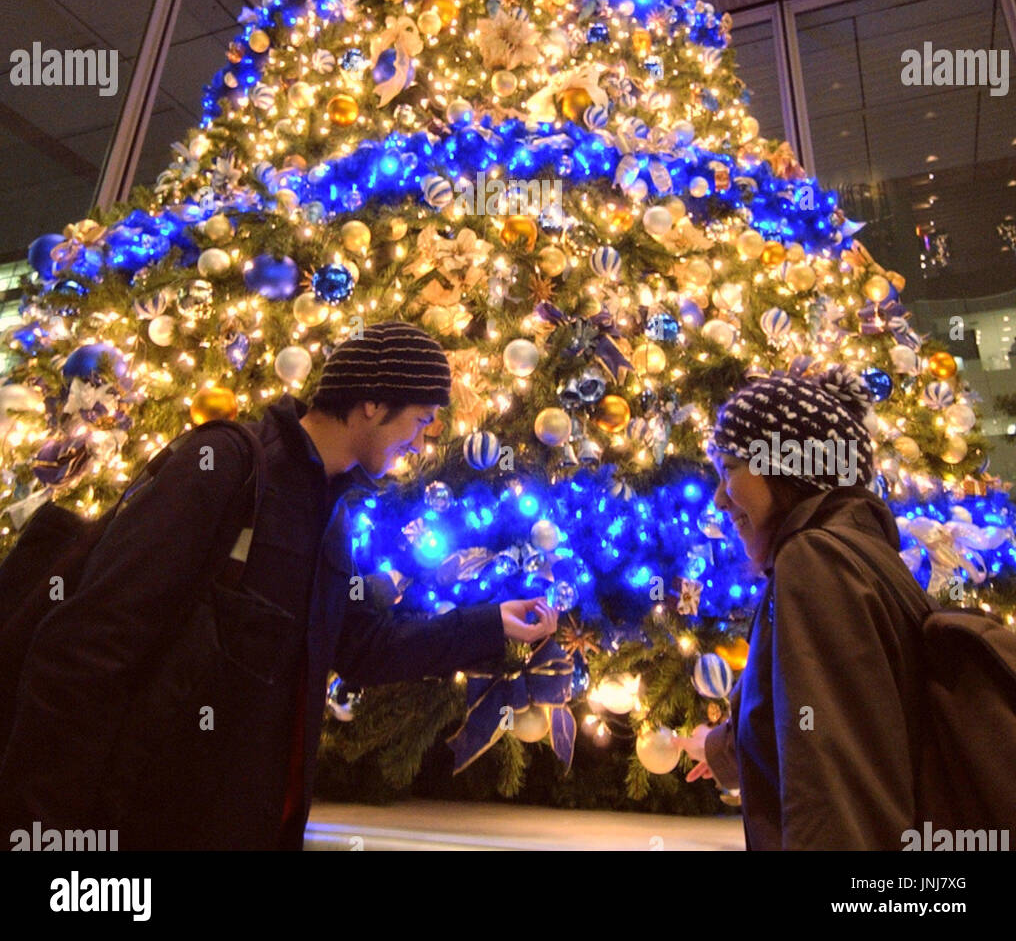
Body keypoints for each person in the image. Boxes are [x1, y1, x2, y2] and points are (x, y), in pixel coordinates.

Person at [0, 321, 556, 850]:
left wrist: (488, 623)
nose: (421, 442)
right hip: (147, 824)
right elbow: (88, 642)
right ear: (372, 404)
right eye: (421, 419)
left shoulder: (333, 511)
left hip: (246, 826)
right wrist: (47, 832)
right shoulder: (224, 468)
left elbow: (363, 648)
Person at [675, 363, 938, 851]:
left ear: (786, 466)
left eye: (729, 469)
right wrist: (720, 748)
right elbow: (801, 717)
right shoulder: (856, 551)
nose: (718, 498)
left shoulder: (815, 561)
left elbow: (833, 783)